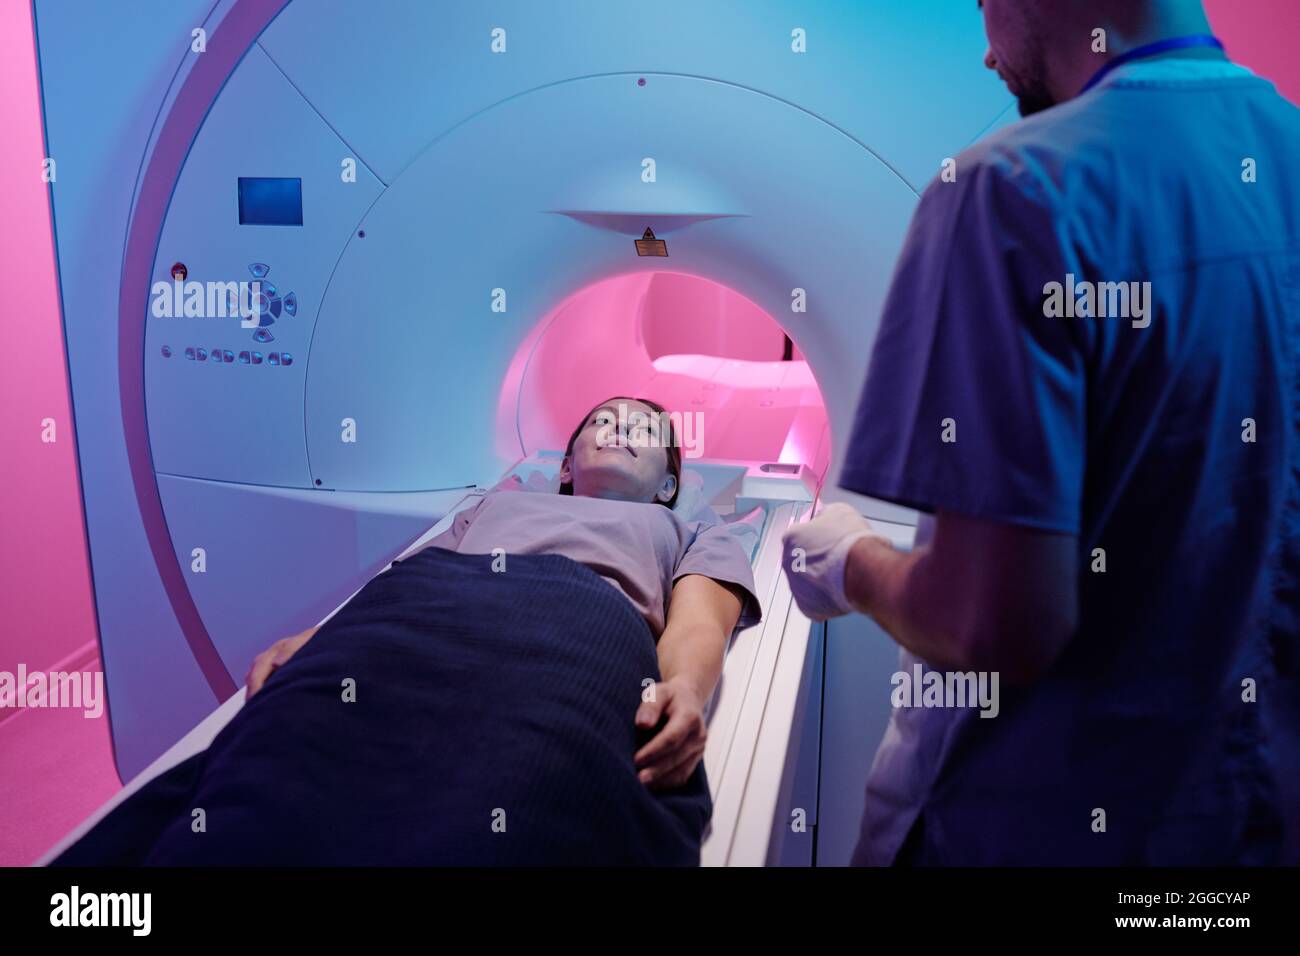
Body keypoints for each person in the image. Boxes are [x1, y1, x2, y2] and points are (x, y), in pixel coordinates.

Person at [783, 0, 1299, 865]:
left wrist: (849, 562)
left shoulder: (1017, 190)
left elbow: (998, 624)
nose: (987, 53)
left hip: (1038, 828)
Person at [249, 396, 761, 792]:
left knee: (518, 781)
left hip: (573, 635)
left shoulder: (691, 533)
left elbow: (697, 626)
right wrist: (323, 637)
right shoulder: (489, 509)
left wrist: (686, 689)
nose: (623, 427)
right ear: (565, 469)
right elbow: (401, 586)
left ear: (669, 486)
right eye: (604, 420)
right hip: (432, 616)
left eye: (645, 429)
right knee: (280, 754)